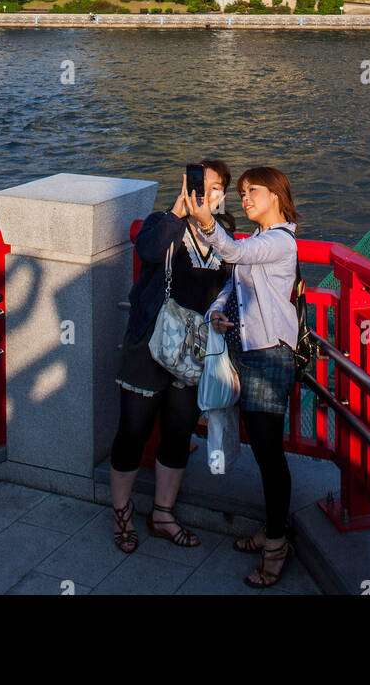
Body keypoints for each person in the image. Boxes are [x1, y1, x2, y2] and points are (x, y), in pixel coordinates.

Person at [109, 159, 235, 554]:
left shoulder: (226, 236)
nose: (206, 195)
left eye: (215, 189)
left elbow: (231, 287)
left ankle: (163, 513)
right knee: (133, 429)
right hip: (151, 342)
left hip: (195, 350)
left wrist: (221, 312)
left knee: (179, 430)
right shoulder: (162, 224)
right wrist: (177, 213)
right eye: (200, 186)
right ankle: (122, 514)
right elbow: (147, 251)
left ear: (223, 195)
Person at [187, 166, 299, 588]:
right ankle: (273, 528)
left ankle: (277, 543)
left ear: (276, 195)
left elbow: (232, 254)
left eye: (253, 191)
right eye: (243, 192)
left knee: (270, 453)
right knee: (262, 447)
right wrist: (217, 308)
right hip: (246, 351)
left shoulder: (279, 241)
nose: (245, 198)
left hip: (269, 356)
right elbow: (233, 282)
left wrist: (206, 224)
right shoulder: (256, 240)